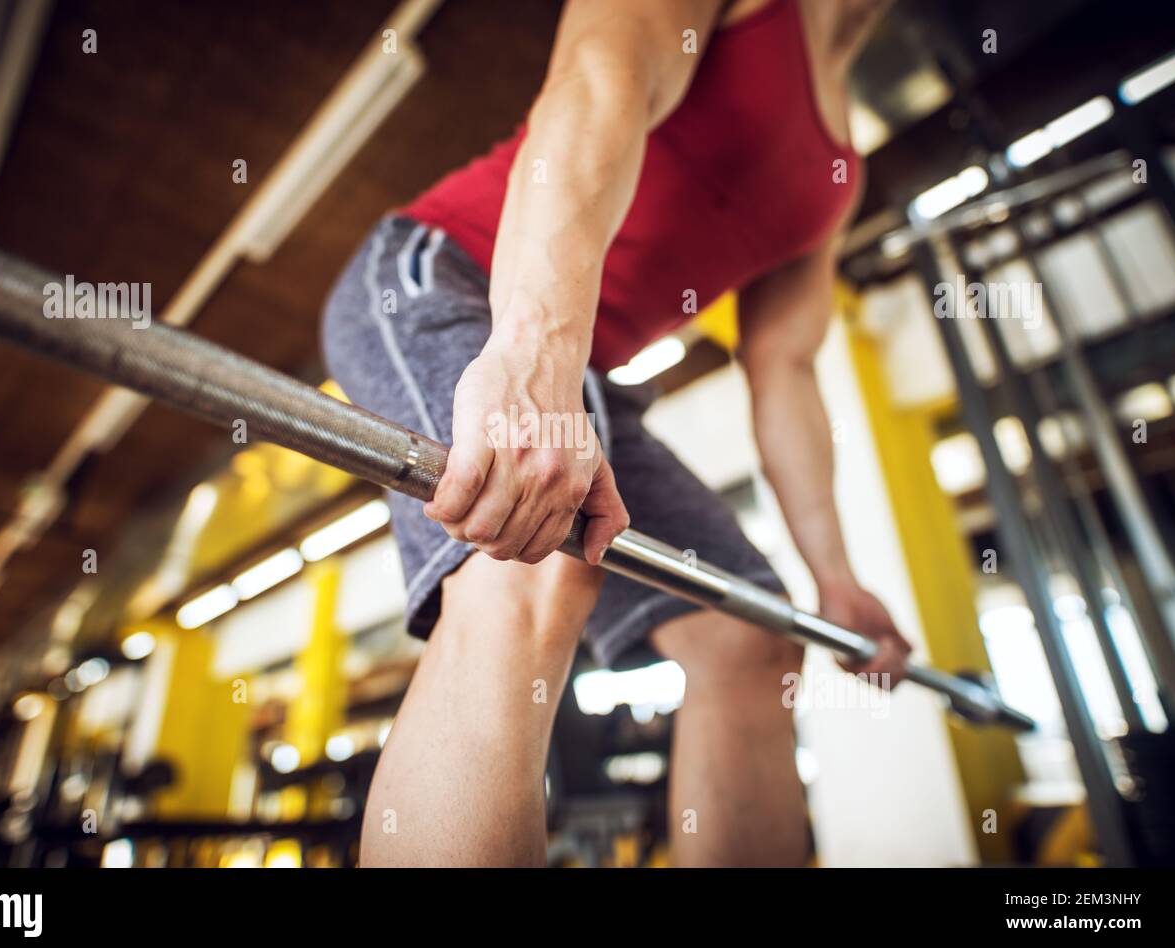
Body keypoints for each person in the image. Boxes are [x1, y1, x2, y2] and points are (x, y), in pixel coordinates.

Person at [322, 0, 909, 867]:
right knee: (529, 555)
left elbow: (783, 363)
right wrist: (531, 358)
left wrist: (836, 576)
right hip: (445, 278)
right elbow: (596, 84)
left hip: (582, 362)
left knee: (749, 634)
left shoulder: (841, 168)